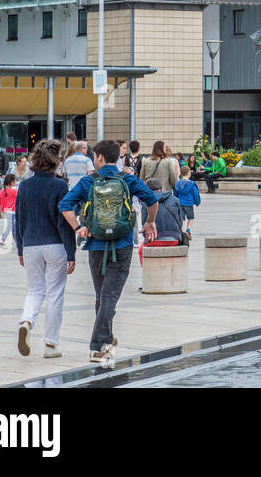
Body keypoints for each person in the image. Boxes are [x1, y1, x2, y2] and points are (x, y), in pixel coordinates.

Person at [58, 140, 160, 366]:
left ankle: (104, 343)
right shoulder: (128, 179)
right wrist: (150, 222)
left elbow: (65, 205)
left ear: (101, 157)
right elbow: (152, 200)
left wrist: (78, 227)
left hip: (95, 245)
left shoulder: (88, 182)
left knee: (102, 297)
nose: (94, 160)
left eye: (95, 157)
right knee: (109, 298)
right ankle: (98, 347)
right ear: (117, 158)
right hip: (122, 245)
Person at [15, 139, 76, 360]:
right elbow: (64, 222)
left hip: (30, 244)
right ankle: (51, 345)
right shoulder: (60, 186)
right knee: (54, 295)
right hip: (55, 245)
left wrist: (20, 248)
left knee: (34, 290)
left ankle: (26, 321)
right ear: (55, 162)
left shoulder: (24, 185)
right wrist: (71, 252)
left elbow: (18, 219)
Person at [138, 178, 185, 265]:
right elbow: (180, 221)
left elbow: (145, 224)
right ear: (161, 188)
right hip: (174, 238)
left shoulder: (146, 202)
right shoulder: (175, 199)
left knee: (141, 251)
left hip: (154, 240)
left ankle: (147, 271)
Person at [173, 163, 202, 236]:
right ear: (189, 173)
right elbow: (196, 194)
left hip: (180, 203)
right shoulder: (192, 184)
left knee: (182, 219)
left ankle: (182, 232)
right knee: (191, 218)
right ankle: (188, 230)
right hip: (189, 203)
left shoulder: (177, 183)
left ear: (181, 174)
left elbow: (175, 193)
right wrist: (197, 202)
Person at [0, 173, 18, 249]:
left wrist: (4, 206)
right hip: (13, 211)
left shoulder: (2, 191)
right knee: (12, 227)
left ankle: (17, 242)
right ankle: (2, 240)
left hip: (6, 211)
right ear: (12, 182)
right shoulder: (14, 191)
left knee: (12, 226)